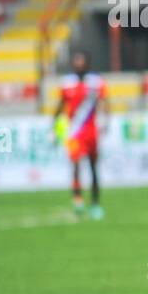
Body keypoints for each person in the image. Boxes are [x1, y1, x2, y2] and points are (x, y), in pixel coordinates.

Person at [51, 51, 106, 219]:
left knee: (93, 168)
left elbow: (103, 103)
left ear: (88, 63)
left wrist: (104, 119)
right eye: (76, 61)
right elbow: (60, 106)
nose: (78, 64)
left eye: (81, 61)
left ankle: (96, 204)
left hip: (91, 132)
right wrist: (53, 127)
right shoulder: (67, 84)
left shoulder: (96, 83)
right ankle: (78, 200)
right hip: (74, 133)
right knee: (75, 166)